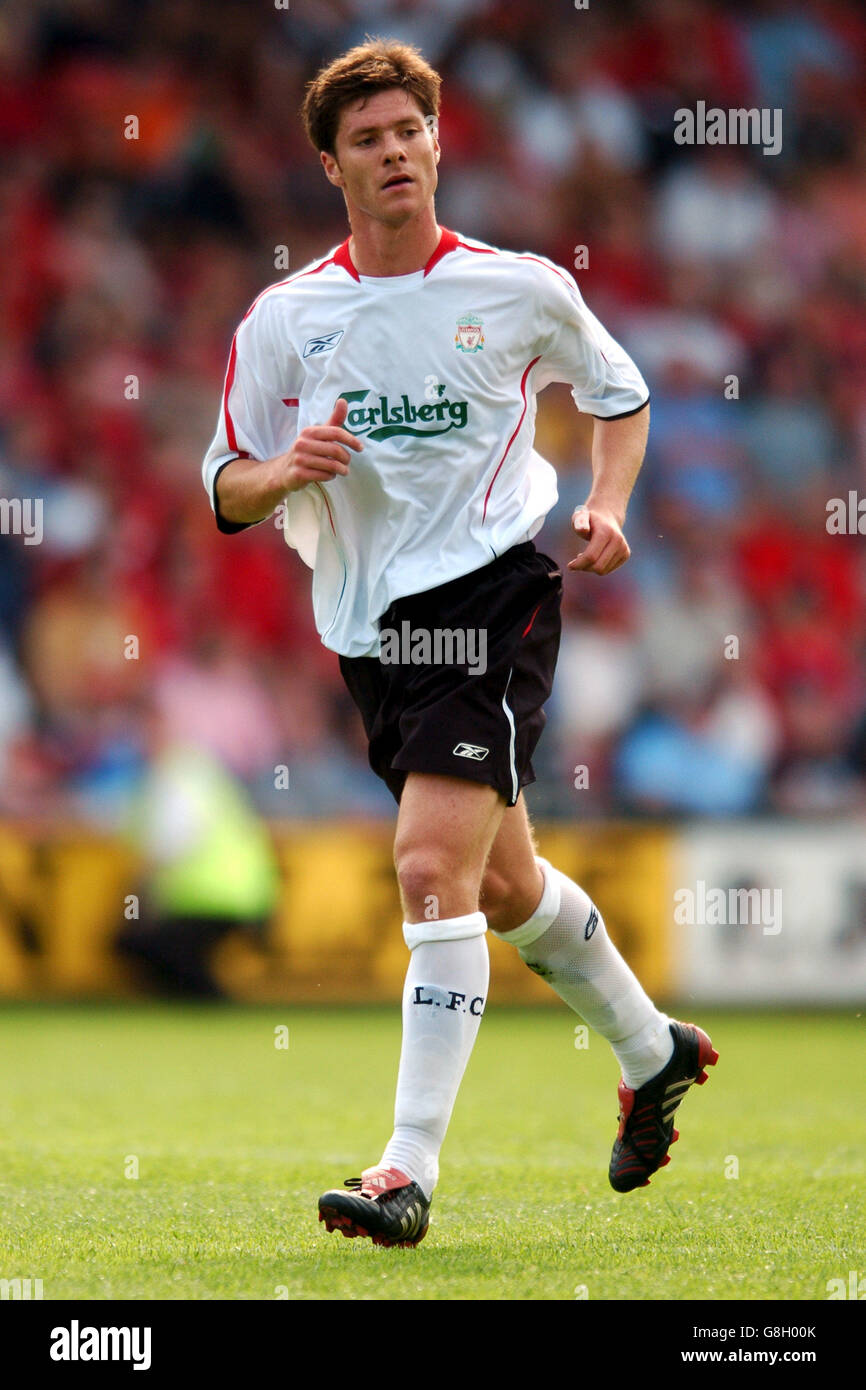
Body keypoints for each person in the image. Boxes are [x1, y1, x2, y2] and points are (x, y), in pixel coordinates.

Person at [201, 39, 717, 1248]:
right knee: (500, 881)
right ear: (331, 166)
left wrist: (606, 503)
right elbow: (222, 485)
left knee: (429, 867)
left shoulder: (517, 287)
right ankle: (653, 1052)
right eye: (367, 139)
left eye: (409, 131)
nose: (394, 152)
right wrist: (280, 472)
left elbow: (620, 392)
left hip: (490, 596)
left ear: (437, 144)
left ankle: (404, 1168)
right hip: (370, 629)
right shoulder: (286, 318)